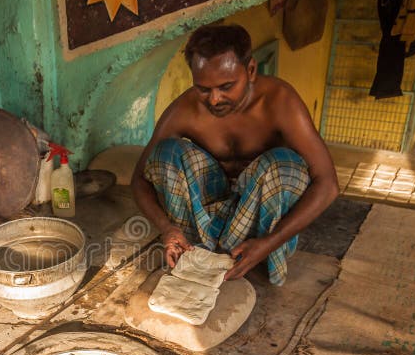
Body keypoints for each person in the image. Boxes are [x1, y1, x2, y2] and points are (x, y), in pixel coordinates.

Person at [131, 24, 339, 285]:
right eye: (203, 88)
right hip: (204, 221)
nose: (214, 99)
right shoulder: (185, 109)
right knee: (166, 155)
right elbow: (139, 178)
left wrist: (268, 242)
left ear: (251, 70)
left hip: (258, 222)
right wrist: (166, 228)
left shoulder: (281, 102)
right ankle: (194, 252)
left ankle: (259, 257)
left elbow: (328, 184)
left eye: (226, 86)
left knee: (286, 167)